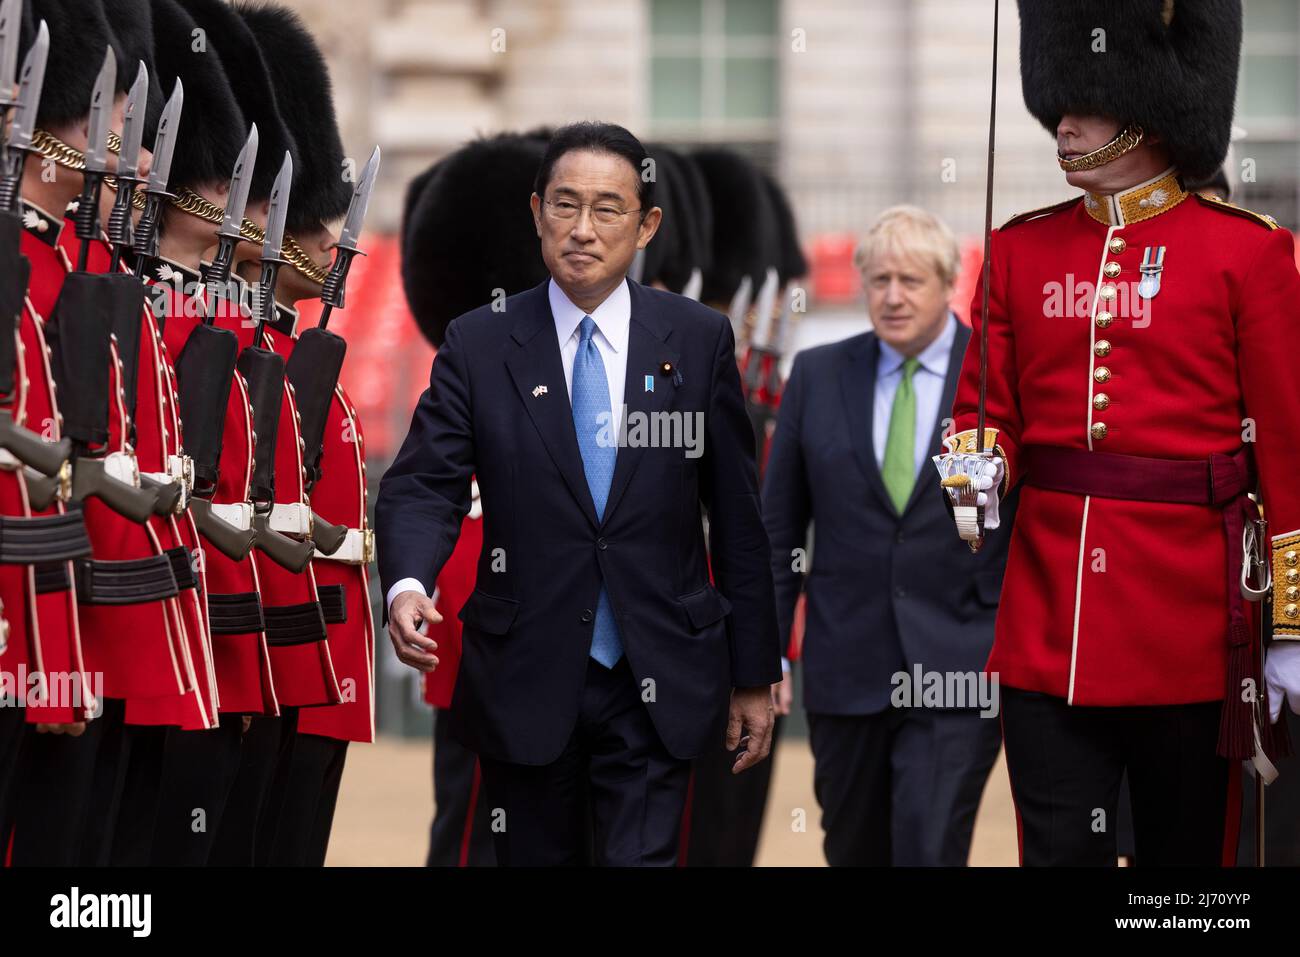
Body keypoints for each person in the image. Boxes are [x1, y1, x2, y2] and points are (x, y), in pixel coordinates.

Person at [935, 0, 1300, 866]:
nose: (1061, 123)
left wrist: (1292, 626)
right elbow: (985, 408)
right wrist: (980, 461)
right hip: (1048, 621)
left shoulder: (1246, 253)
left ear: (1147, 112)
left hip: (1190, 625)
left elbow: (1288, 450)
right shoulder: (1020, 251)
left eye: (1083, 106)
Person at [378, 121, 782, 866]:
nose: (585, 230)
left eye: (608, 208)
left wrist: (756, 673)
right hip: (526, 677)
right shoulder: (480, 341)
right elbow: (424, 483)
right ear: (536, 214)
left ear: (647, 223)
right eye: (565, 206)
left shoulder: (697, 340)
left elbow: (737, 519)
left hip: (657, 672)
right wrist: (407, 582)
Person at [763, 205, 1009, 865]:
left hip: (957, 665)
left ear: (947, 283)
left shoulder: (990, 376)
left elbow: (990, 527)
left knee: (929, 847)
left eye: (911, 280)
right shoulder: (815, 376)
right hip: (847, 666)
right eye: (878, 280)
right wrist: (768, 652)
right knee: (853, 848)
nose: (893, 296)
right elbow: (780, 527)